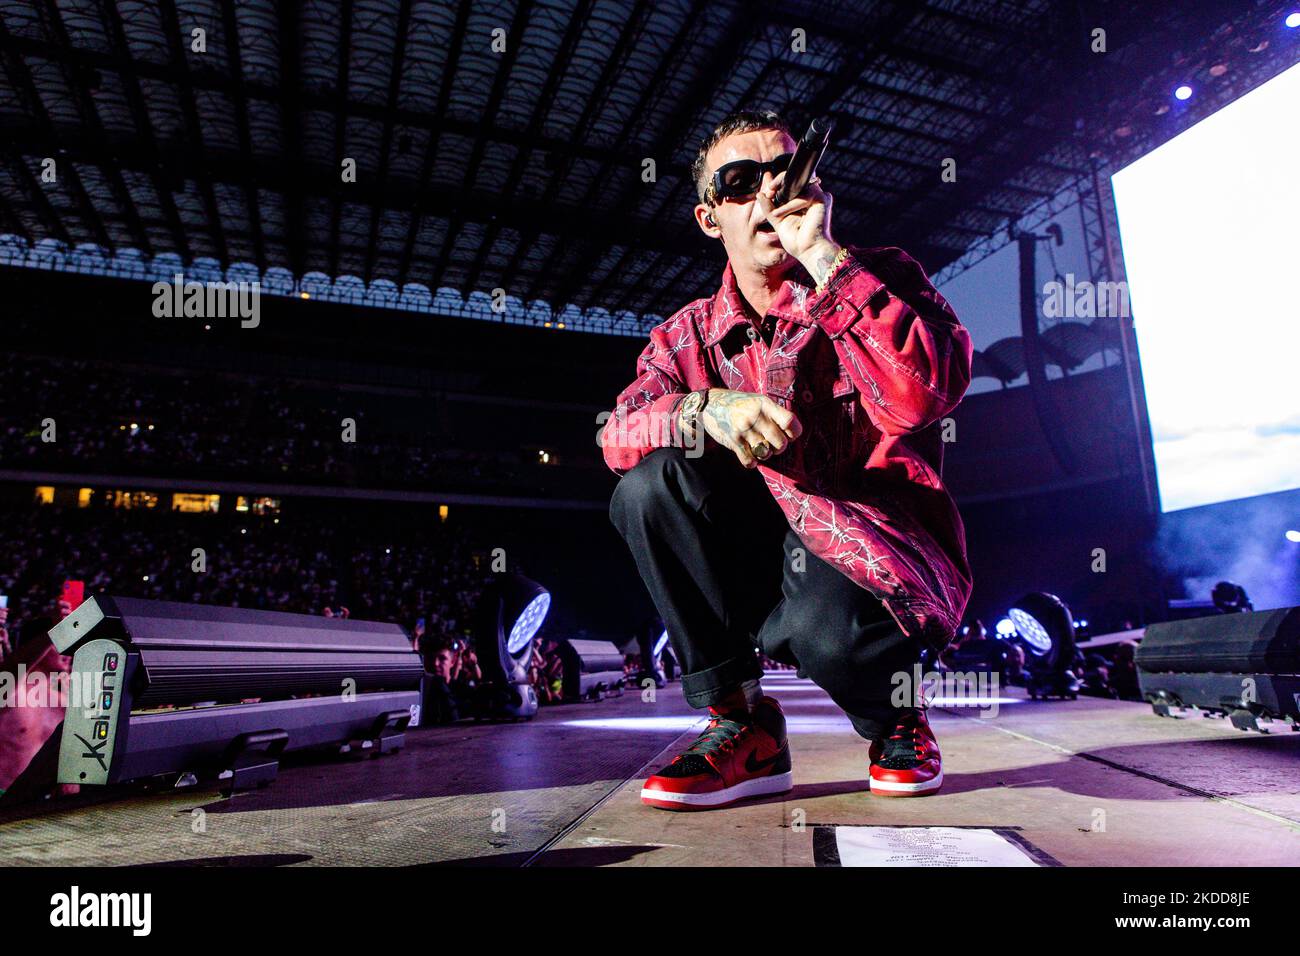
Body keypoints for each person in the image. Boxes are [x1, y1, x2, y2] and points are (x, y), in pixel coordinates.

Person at [601, 108, 973, 809]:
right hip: (755, 546)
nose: (769, 193)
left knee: (820, 631)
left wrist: (827, 263)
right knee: (648, 486)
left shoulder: (880, 275)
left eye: (787, 173)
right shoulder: (683, 339)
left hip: (864, 542)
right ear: (710, 218)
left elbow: (927, 394)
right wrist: (699, 408)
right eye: (742, 183)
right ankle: (744, 726)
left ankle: (896, 715)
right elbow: (615, 434)